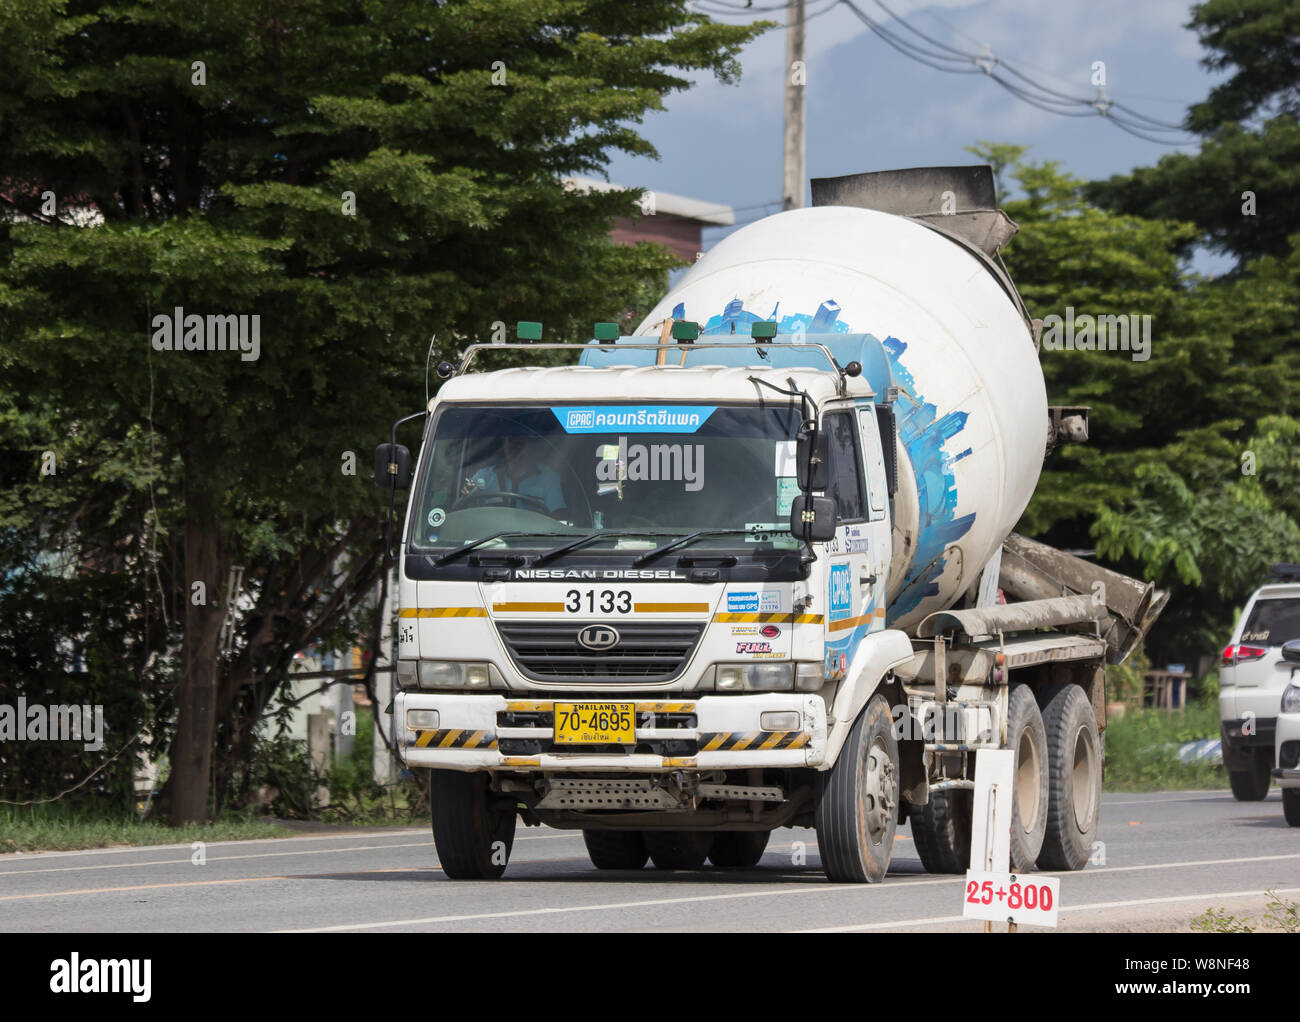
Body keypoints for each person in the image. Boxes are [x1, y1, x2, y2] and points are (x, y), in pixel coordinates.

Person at [461, 435, 566, 515]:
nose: (515, 447)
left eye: (520, 442)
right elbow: (461, 507)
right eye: (511, 440)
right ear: (504, 444)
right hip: (486, 541)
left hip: (534, 541)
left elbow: (558, 518)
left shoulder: (548, 479)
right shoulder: (483, 476)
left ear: (530, 445)